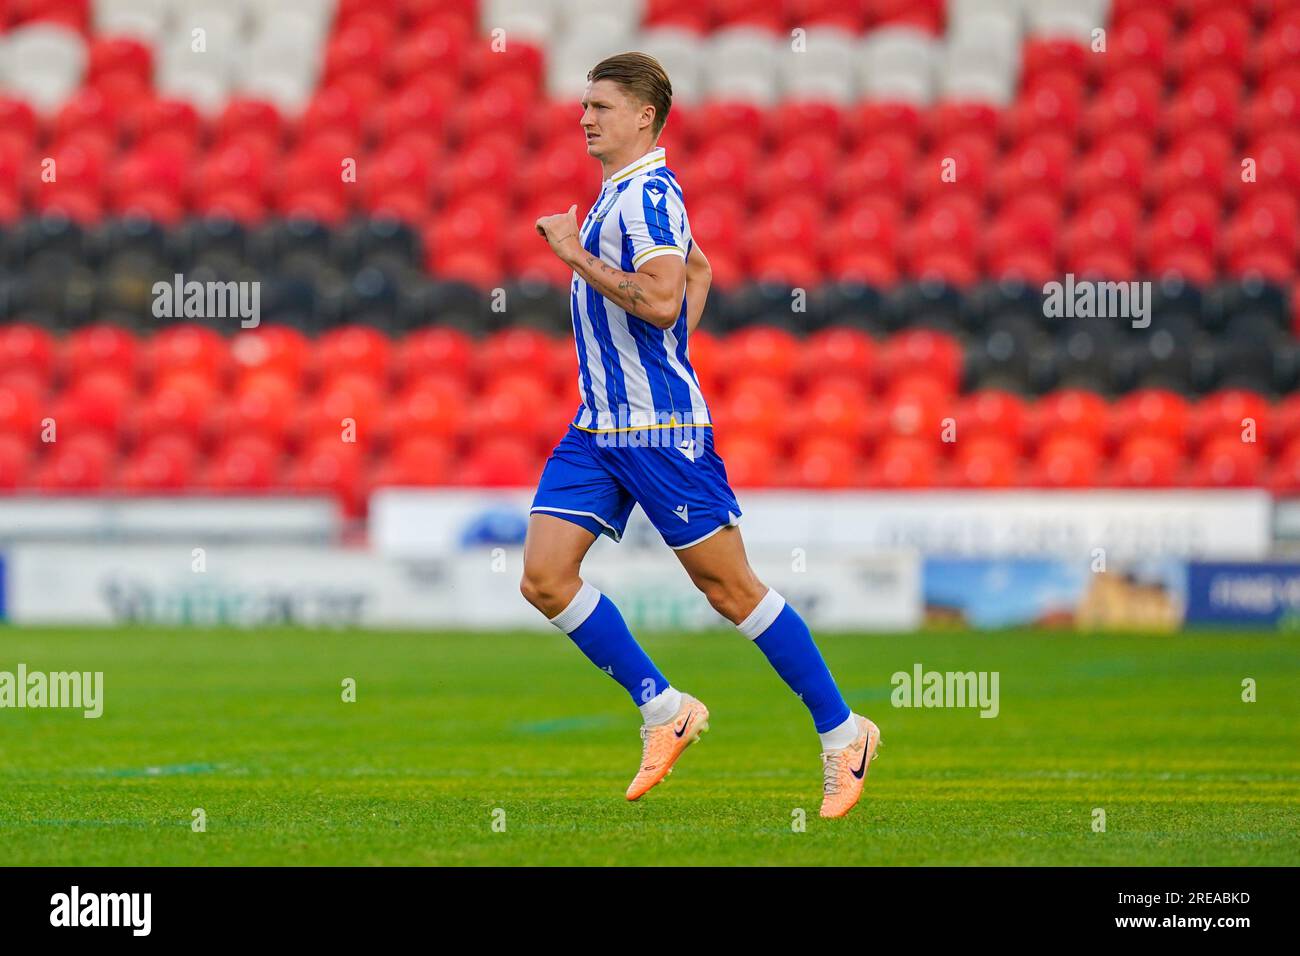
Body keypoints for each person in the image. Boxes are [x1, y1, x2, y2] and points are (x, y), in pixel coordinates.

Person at [525, 52, 879, 818]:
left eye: (602, 107)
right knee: (545, 578)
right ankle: (665, 710)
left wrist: (572, 256)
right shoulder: (620, 196)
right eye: (584, 106)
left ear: (645, 117)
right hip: (599, 428)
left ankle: (844, 731)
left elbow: (658, 303)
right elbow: (696, 278)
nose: (585, 118)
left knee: (729, 589)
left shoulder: (644, 198)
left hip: (660, 431)